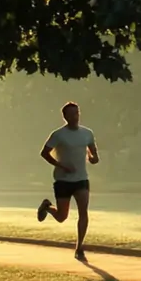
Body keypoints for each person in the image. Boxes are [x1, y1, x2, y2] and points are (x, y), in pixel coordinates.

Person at [36, 102, 99, 261]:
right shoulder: (58, 135)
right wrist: (61, 165)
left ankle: (79, 248)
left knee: (83, 212)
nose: (74, 117)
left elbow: (93, 153)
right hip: (63, 180)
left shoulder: (87, 133)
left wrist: (93, 159)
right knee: (62, 217)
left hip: (81, 179)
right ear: (65, 117)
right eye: (71, 114)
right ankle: (47, 207)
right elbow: (44, 153)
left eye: (76, 113)